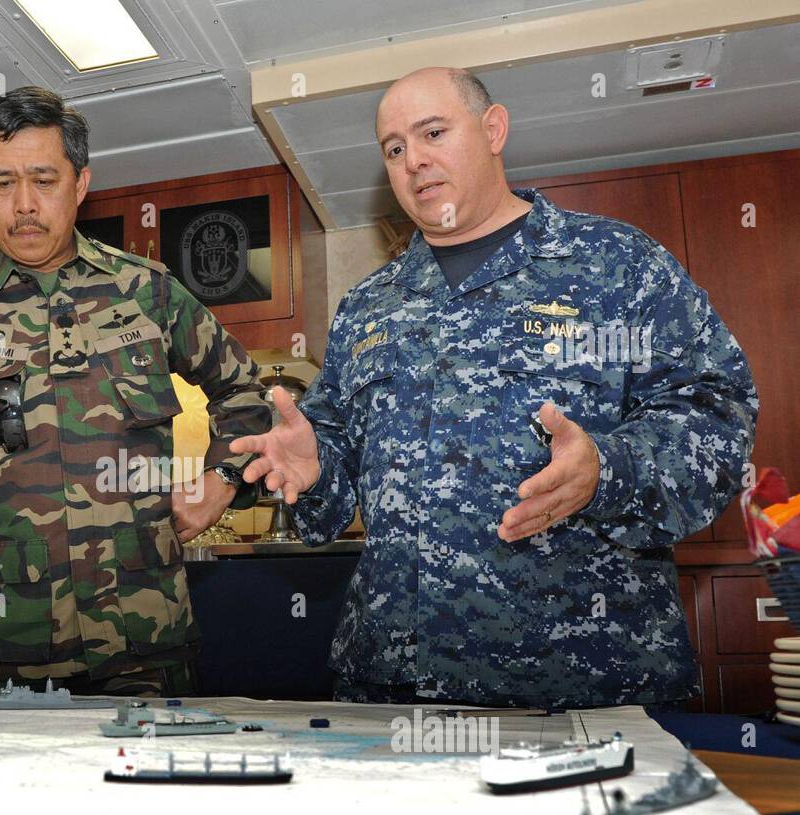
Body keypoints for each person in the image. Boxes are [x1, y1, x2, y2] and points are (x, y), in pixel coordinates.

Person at [232, 67, 758, 708]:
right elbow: (334, 480)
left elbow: (716, 416)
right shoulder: (368, 308)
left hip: (580, 686)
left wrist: (607, 469)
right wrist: (313, 473)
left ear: (493, 129)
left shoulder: (616, 266)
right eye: (394, 148)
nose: (414, 160)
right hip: (393, 690)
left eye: (432, 132)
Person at [0, 86, 267, 699]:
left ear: (81, 183)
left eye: (44, 179)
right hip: (2, 655)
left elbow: (246, 391)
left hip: (145, 643)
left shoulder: (147, 292)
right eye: (3, 183)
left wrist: (224, 478)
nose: (25, 205)